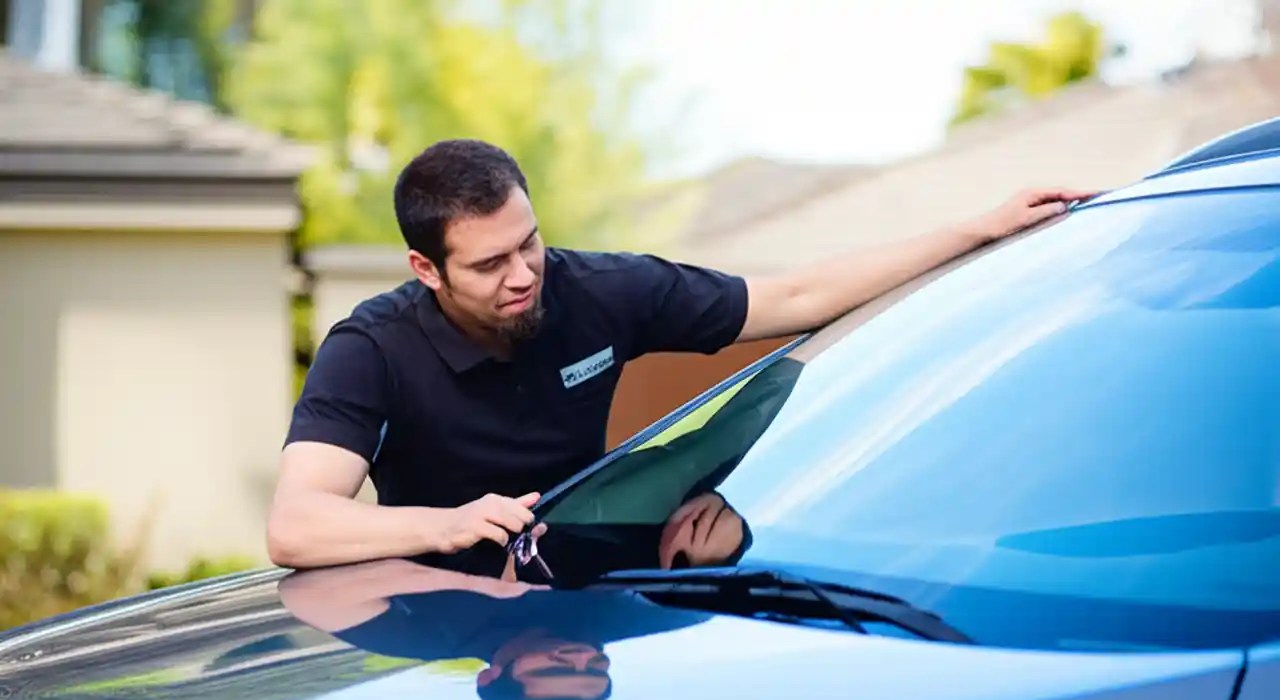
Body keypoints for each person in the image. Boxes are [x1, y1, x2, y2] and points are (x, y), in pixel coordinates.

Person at [267, 137, 1094, 569]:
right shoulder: (369, 348)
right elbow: (298, 524)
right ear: (425, 268)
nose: (523, 276)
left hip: (591, 585)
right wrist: (450, 524)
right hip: (437, 613)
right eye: (489, 264)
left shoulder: (601, 290)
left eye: (530, 243)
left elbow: (794, 299)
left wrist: (981, 228)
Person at [279, 558, 712, 700]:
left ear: (491, 676)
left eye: (555, 667)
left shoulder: (428, 638)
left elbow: (303, 594)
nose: (579, 655)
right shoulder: (649, 619)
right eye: (596, 666)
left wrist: (468, 576)